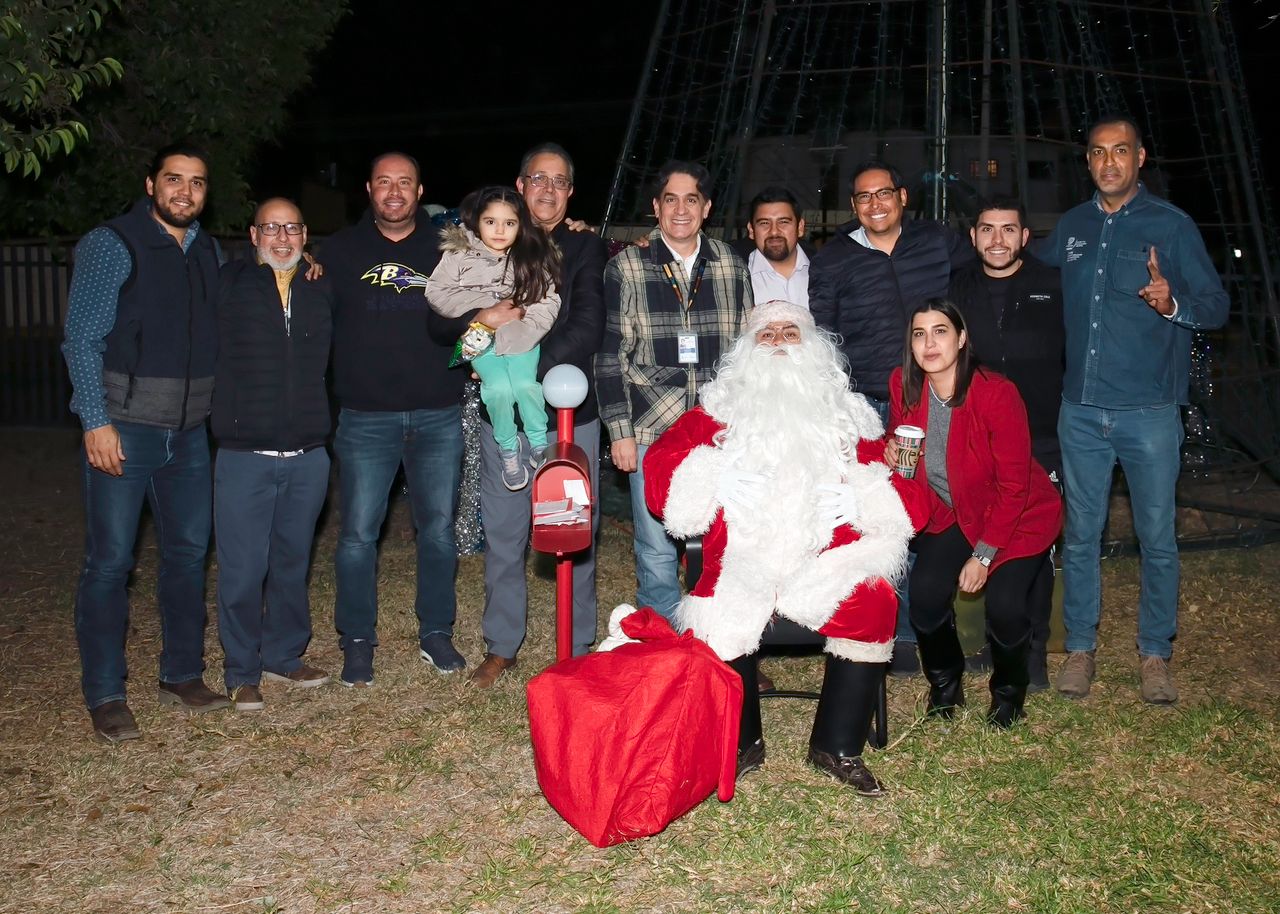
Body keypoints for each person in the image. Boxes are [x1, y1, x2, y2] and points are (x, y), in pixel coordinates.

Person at [643, 300, 927, 794]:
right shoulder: (715, 411)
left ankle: (836, 746)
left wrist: (863, 494)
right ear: (746, 350)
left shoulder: (851, 417)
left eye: (789, 332)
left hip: (823, 559)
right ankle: (741, 742)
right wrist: (711, 475)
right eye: (765, 333)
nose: (776, 340)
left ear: (813, 346)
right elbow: (660, 469)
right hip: (743, 558)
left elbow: (908, 494)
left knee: (874, 598)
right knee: (722, 610)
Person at [1041, 115, 1229, 704]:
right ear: (1089, 161)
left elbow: (1217, 307)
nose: (1109, 162)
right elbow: (1032, 285)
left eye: (1120, 151)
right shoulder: (1070, 227)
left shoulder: (1170, 227)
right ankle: (1080, 648)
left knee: (1157, 538)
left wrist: (1174, 304)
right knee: (1080, 537)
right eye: (1098, 153)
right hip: (1080, 411)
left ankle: (1155, 655)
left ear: (1140, 157)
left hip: (1149, 413)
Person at [325, 152, 521, 686]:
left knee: (437, 532)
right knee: (359, 535)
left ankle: (435, 632)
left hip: (437, 412)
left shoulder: (448, 248)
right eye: (384, 182)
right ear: (368, 188)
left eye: (404, 182)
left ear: (419, 190)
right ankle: (357, 640)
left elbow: (514, 244)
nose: (394, 191)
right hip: (365, 417)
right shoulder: (337, 252)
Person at [62, 142, 229, 741]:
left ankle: (181, 673)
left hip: (188, 436)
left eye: (197, 183)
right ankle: (106, 694)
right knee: (110, 564)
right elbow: (81, 338)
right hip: (124, 431)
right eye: (174, 180)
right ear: (151, 183)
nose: (185, 192)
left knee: (187, 557)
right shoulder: (115, 243)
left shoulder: (207, 250)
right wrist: (94, 420)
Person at [428, 142, 607, 689]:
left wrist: (524, 367)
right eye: (537, 179)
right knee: (505, 534)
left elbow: (587, 324)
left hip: (569, 414)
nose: (547, 190)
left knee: (576, 533)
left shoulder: (582, 247)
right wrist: (481, 331)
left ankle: (575, 647)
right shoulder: (485, 244)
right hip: (500, 414)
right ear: (520, 185)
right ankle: (502, 644)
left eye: (559, 181)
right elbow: (440, 325)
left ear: (570, 192)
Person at [808, 160, 975, 675]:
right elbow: (824, 336)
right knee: (886, 517)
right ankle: (897, 635)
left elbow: (978, 288)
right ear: (853, 206)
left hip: (935, 400)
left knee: (938, 507)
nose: (875, 204)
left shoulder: (938, 242)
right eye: (863, 197)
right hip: (874, 408)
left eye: (884, 193)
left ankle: (934, 627)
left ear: (902, 195)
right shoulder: (834, 258)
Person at [887, 300, 1063, 727]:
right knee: (925, 597)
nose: (930, 343)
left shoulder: (995, 393)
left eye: (941, 332)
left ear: (962, 339)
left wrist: (982, 556)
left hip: (1018, 514)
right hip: (957, 511)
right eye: (919, 334)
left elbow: (1015, 486)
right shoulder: (903, 384)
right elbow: (907, 455)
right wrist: (889, 451)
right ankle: (946, 686)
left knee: (1003, 605)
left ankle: (1008, 694)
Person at [595, 160, 753, 622]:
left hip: (717, 428)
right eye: (670, 199)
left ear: (705, 208)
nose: (680, 209)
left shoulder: (730, 265)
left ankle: (723, 639)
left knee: (724, 538)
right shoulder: (626, 266)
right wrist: (619, 432)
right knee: (655, 542)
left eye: (691, 199)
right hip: (649, 428)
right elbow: (609, 355)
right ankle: (662, 636)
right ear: (655, 207)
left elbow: (747, 353)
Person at [211, 198, 333, 712]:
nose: (281, 238)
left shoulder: (320, 285)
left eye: (291, 228)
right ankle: (241, 670)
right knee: (242, 568)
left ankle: (285, 652)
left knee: (291, 561)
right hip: (245, 454)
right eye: (270, 229)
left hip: (308, 452)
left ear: (305, 235)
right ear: (253, 235)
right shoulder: (230, 284)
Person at [948, 196, 1064, 690]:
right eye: (987, 230)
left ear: (1024, 237)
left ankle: (1033, 649)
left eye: (1008, 230)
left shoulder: (1054, 285)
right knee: (984, 533)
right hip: (981, 438)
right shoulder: (957, 287)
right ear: (973, 237)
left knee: (1034, 547)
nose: (998, 240)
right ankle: (992, 640)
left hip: (1043, 435)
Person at [426, 186, 561, 491]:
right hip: (481, 338)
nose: (499, 230)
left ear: (520, 225)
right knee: (499, 389)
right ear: (477, 222)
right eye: (491, 222)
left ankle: (539, 444)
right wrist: (480, 313)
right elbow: (436, 293)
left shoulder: (531, 254)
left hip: (523, 338)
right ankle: (508, 449)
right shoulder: (458, 253)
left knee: (526, 386)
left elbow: (549, 299)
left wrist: (527, 329)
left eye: (509, 223)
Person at [744, 186, 810, 308]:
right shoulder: (735, 278)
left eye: (783, 222)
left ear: (800, 227)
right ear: (751, 230)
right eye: (764, 223)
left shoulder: (827, 271)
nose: (774, 232)